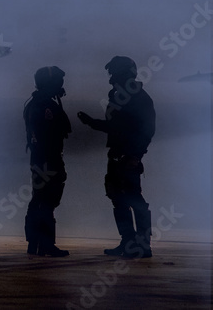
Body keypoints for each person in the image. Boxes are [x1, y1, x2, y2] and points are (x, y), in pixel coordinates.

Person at [77, 56, 156, 258]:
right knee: (118, 199)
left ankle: (142, 245)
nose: (111, 78)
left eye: (114, 73)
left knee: (134, 199)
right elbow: (114, 126)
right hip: (117, 155)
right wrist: (92, 123)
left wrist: (135, 155)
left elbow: (147, 130)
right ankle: (128, 242)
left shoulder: (139, 98)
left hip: (128, 156)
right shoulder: (118, 96)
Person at [23, 66, 71, 257]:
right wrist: (53, 163)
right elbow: (48, 136)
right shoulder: (45, 106)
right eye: (58, 81)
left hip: (41, 160)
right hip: (47, 160)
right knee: (46, 202)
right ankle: (44, 244)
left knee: (41, 200)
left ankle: (36, 243)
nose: (61, 85)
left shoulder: (36, 103)